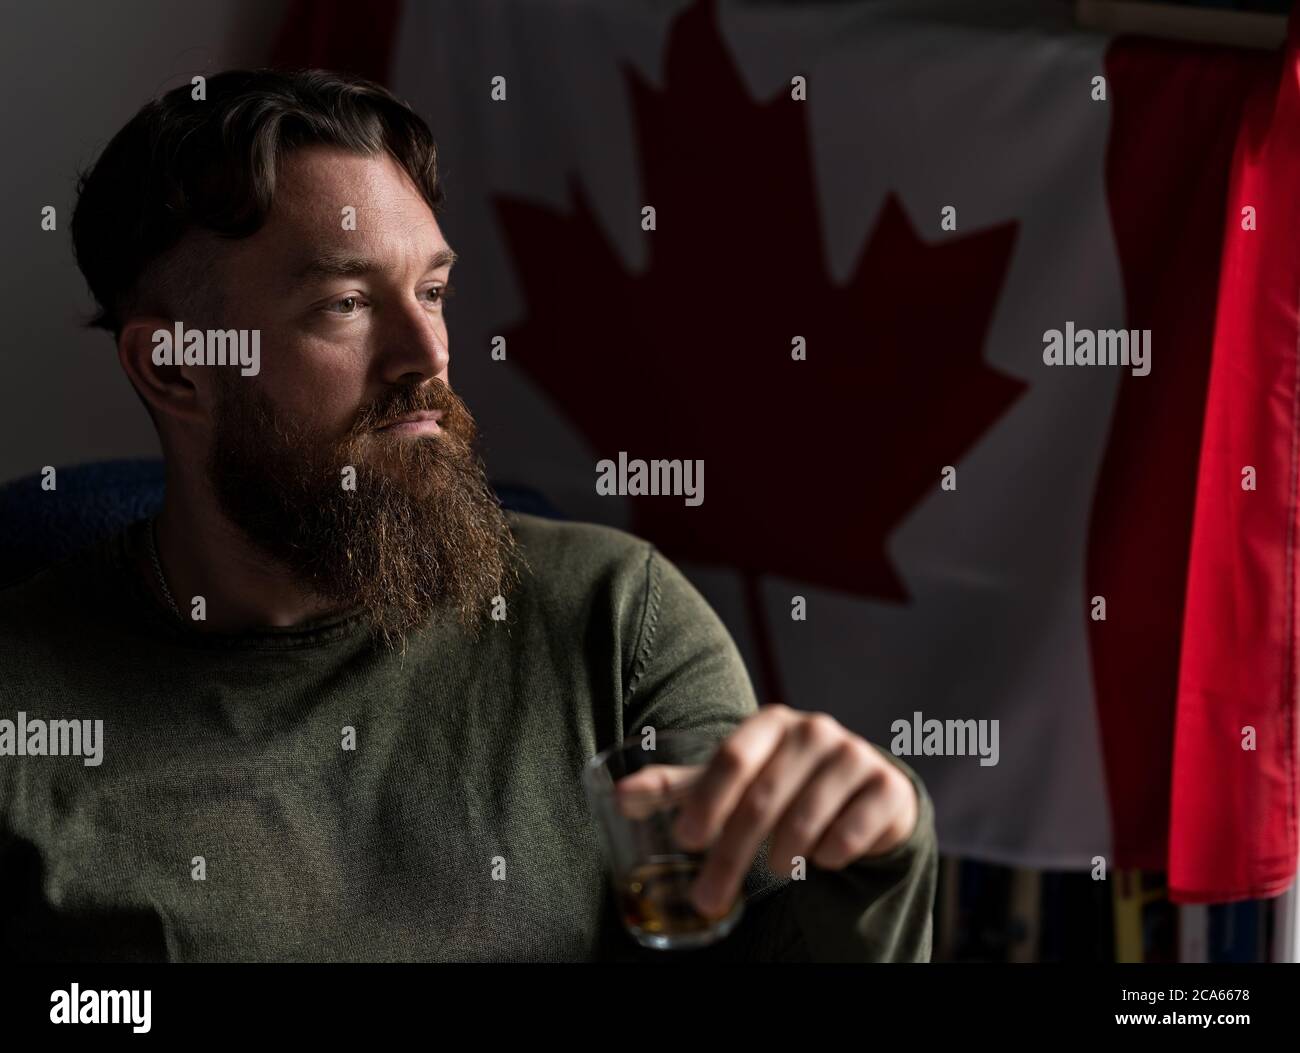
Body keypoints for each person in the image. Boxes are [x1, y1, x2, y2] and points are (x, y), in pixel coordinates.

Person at [0, 69, 936, 962]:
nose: (427, 355)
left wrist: (875, 855)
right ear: (174, 367)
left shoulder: (616, 618)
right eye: (346, 302)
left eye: (434, 291)